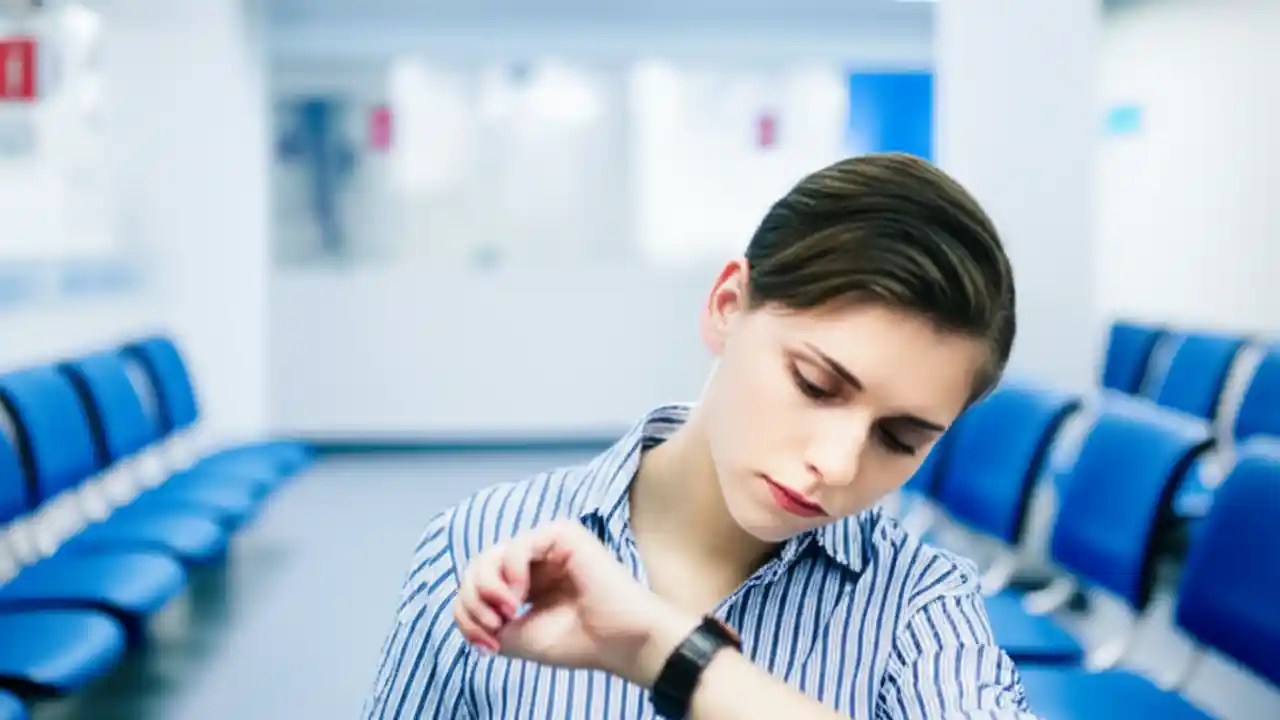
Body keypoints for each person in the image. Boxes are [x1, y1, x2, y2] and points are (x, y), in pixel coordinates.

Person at [361, 153, 1033, 719]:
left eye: (899, 439)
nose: (834, 464)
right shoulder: (475, 545)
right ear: (727, 307)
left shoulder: (918, 603)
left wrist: (663, 650)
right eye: (815, 385)